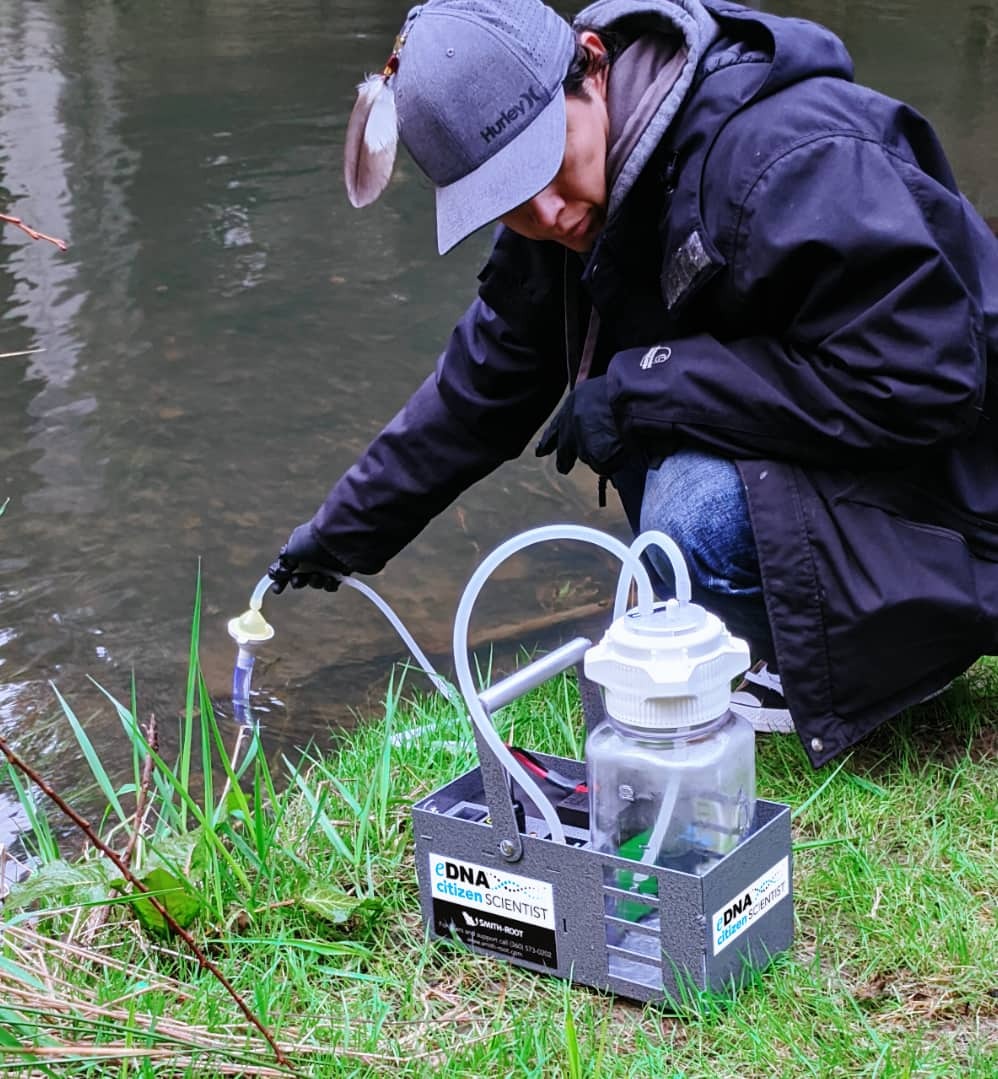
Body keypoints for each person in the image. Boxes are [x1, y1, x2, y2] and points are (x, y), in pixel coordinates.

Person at [267, 0, 998, 767]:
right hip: (884, 476)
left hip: (966, 503)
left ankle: (855, 661)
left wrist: (646, 383)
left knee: (690, 511)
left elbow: (925, 380)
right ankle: (814, 641)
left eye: (547, 167)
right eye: (510, 203)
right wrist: (342, 535)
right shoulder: (567, 205)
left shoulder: (781, 158)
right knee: (658, 458)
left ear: (590, 65)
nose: (548, 212)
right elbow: (483, 385)